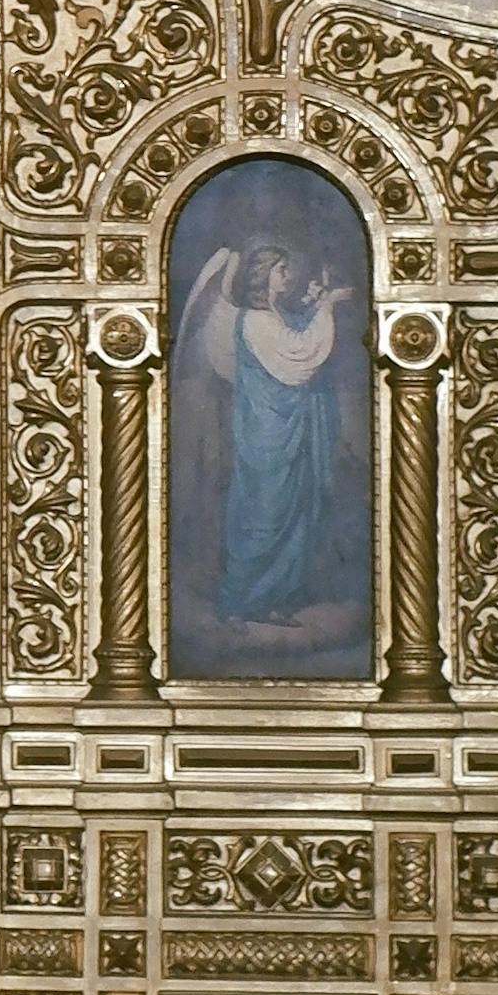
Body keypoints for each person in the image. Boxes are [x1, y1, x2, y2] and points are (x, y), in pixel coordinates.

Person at [172, 224, 369, 666]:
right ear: (263, 277)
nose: (287, 278)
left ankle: (273, 599)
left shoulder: (275, 314)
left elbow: (298, 336)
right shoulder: (256, 320)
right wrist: (328, 310)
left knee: (294, 512)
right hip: (266, 438)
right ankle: (242, 601)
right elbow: (299, 359)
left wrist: (319, 304)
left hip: (286, 433)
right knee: (265, 513)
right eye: (281, 272)